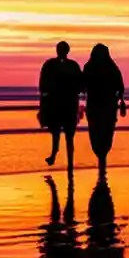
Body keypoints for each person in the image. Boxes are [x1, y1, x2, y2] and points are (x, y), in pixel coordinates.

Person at [38, 41, 84, 173]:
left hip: (61, 104)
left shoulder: (51, 65)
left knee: (59, 133)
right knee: (65, 135)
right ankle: (63, 159)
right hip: (65, 104)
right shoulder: (71, 66)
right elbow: (81, 86)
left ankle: (59, 157)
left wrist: (44, 102)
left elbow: (43, 86)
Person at [82, 44, 127, 178]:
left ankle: (101, 161)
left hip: (95, 105)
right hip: (108, 106)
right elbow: (121, 87)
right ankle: (102, 160)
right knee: (106, 133)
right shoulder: (112, 68)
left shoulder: (89, 67)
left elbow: (82, 86)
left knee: (96, 132)